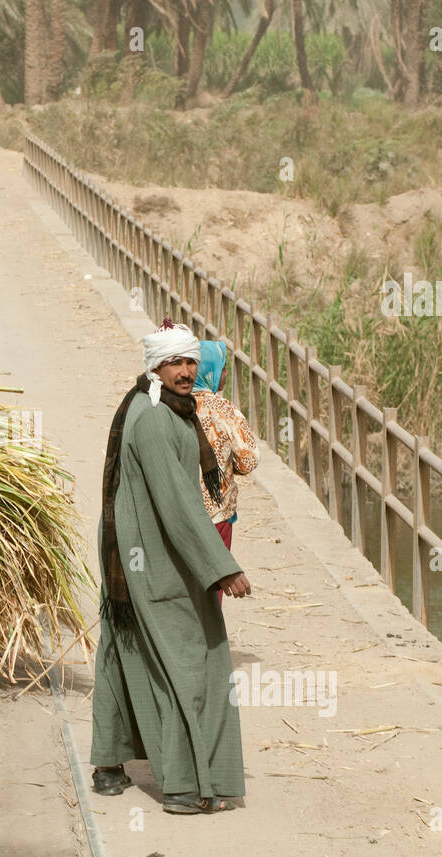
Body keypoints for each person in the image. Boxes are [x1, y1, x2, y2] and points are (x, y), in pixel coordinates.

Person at [90, 321, 252, 816]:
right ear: (155, 365)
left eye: (190, 362)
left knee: (125, 648)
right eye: (175, 363)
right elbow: (180, 503)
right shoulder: (158, 420)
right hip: (151, 555)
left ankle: (109, 764)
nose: (185, 371)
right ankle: (184, 787)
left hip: (134, 546)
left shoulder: (160, 404)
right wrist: (221, 567)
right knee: (190, 660)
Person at [192, 340, 260, 557]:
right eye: (222, 368)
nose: (226, 374)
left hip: (179, 509)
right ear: (210, 372)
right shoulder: (224, 410)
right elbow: (248, 460)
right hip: (216, 512)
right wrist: (229, 465)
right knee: (215, 579)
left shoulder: (173, 404)